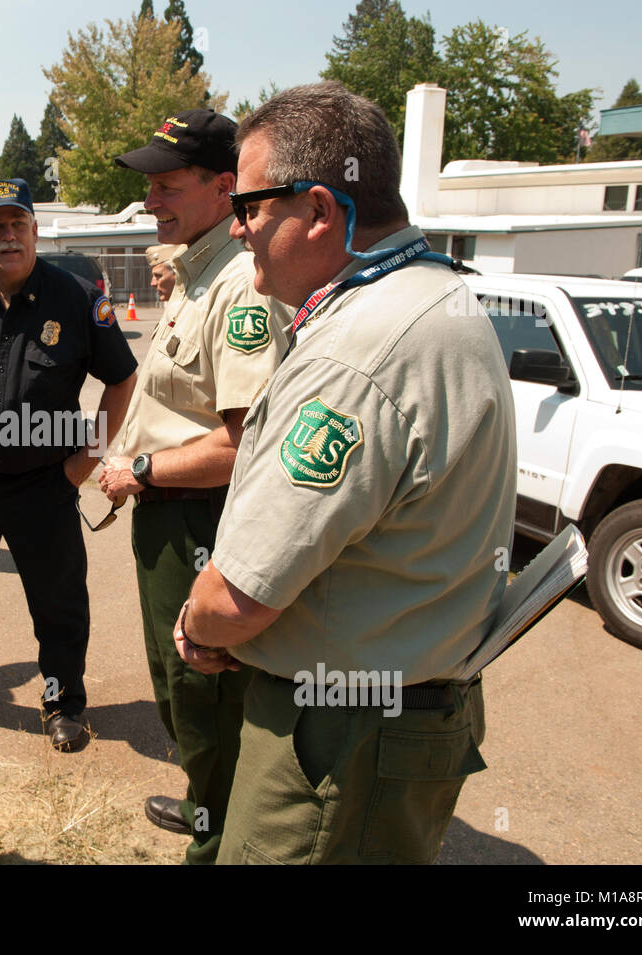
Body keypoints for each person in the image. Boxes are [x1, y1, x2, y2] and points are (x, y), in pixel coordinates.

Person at [173, 83, 516, 865]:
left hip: (337, 740)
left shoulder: (357, 352)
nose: (238, 227)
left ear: (320, 210)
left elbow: (238, 594)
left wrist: (196, 624)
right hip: (399, 718)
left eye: (249, 206)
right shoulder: (436, 296)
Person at [97, 110, 289, 863]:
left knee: (202, 691)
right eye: (150, 187)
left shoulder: (240, 288)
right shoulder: (198, 270)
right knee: (178, 684)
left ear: (223, 187)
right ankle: (206, 803)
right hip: (168, 518)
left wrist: (139, 469)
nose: (151, 201)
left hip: (200, 519)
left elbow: (244, 445)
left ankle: (216, 842)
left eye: (168, 186)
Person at [0, 179, 138, 751]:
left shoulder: (78, 298)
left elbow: (121, 379)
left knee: (58, 603)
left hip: (45, 482)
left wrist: (84, 463)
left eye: (17, 225)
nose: (7, 236)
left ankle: (62, 703)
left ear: (35, 231)